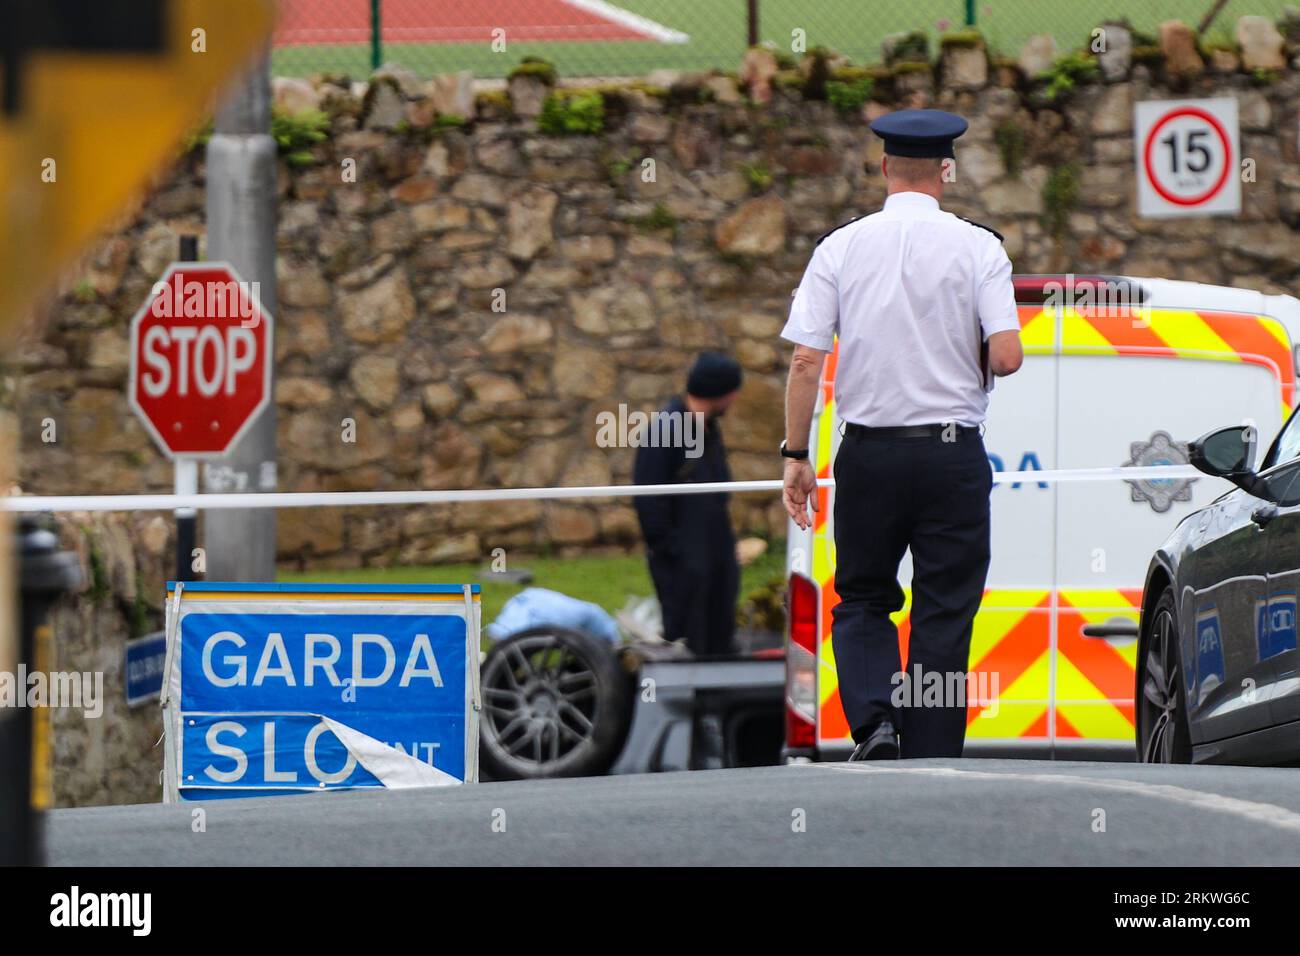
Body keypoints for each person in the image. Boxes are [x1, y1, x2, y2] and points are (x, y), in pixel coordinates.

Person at [777, 109, 1024, 760]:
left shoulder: (841, 246)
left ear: (885, 168)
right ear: (947, 169)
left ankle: (875, 724)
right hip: (951, 456)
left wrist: (796, 454)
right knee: (943, 607)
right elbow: (1006, 357)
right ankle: (933, 751)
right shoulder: (980, 248)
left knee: (862, 595)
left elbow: (806, 360)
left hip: (870, 451)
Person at [633, 352, 743, 656]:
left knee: (718, 633)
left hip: (714, 555)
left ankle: (719, 698)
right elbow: (648, 498)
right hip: (684, 563)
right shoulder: (667, 429)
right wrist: (672, 551)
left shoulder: (708, 429)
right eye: (733, 392)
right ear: (719, 392)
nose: (735, 400)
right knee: (690, 639)